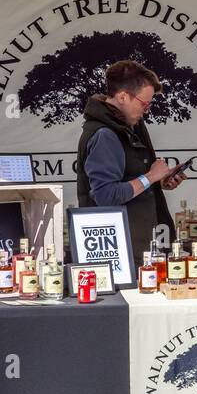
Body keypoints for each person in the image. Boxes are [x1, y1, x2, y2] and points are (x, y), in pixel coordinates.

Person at [77, 60, 186, 255]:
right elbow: (106, 195)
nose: (147, 109)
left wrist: (158, 183)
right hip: (120, 250)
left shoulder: (126, 128)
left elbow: (129, 181)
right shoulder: (105, 135)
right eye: (144, 103)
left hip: (134, 244)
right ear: (123, 97)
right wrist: (151, 177)